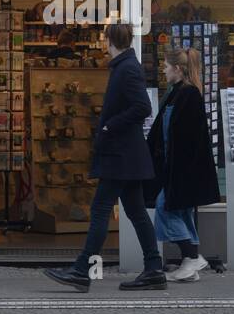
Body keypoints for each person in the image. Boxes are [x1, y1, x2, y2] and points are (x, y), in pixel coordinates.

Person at [43, 23, 164, 292]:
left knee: (100, 210)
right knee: (135, 211)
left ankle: (81, 269)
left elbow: (142, 107)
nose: (102, 41)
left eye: (104, 37)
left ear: (110, 40)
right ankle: (154, 267)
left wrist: (111, 125)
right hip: (125, 154)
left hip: (119, 154)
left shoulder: (127, 69)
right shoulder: (125, 66)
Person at [147, 47, 219, 283]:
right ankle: (190, 265)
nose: (163, 70)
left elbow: (185, 139)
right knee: (182, 212)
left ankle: (191, 256)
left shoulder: (187, 95)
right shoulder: (179, 92)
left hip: (181, 169)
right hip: (178, 168)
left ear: (177, 69)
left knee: (165, 208)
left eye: (166, 67)